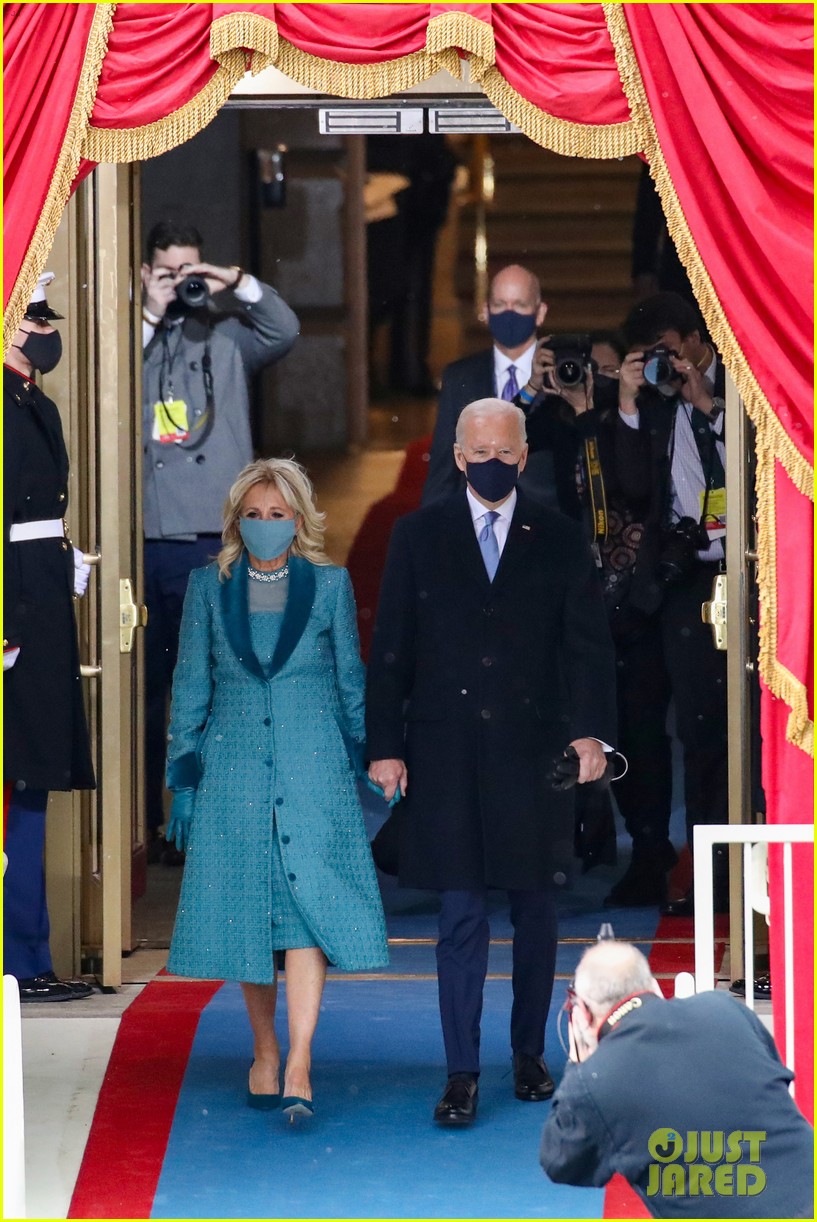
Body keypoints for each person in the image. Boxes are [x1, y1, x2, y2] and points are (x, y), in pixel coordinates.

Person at [366, 399, 616, 1126]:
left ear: (524, 451)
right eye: (480, 450)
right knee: (459, 914)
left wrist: (592, 735)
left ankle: (530, 1056)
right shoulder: (417, 535)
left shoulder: (560, 537)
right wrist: (385, 745)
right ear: (455, 453)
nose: (493, 463)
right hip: (444, 752)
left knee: (536, 912)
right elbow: (392, 647)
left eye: (505, 452)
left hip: (534, 755)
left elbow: (587, 646)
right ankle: (460, 1072)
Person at [164, 458, 388, 1117]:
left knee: (304, 916)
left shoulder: (329, 586)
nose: (265, 525)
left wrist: (371, 761)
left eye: (278, 514)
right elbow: (190, 686)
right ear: (236, 520)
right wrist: (182, 774)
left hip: (311, 763)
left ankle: (299, 1059)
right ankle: (264, 1049)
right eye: (254, 515)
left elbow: (351, 680)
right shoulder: (209, 587)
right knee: (248, 914)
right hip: (232, 768)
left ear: (299, 519)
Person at [141, 220, 300, 859]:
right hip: (151, 541)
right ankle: (151, 824)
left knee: (225, 686)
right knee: (153, 694)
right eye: (167, 272)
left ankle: (222, 820)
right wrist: (149, 310)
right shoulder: (132, 341)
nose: (182, 285)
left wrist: (233, 282)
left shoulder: (228, 337)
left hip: (217, 542)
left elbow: (284, 330)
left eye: (190, 271)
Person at [520, 331, 675, 900]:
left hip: (637, 598)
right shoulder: (556, 416)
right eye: (580, 370)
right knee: (581, 726)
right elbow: (499, 444)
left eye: (604, 372)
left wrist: (593, 411)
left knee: (637, 730)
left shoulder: (637, 418)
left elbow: (622, 487)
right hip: (580, 598)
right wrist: (532, 392)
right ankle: (588, 840)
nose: (588, 380)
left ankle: (651, 850)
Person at [540, 941, 814, 1218]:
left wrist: (578, 1062)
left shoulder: (596, 1079)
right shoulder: (726, 1010)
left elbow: (560, 1161)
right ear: (651, 985)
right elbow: (774, 1077)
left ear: (583, 1014)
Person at [616, 292, 728, 914]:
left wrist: (707, 406)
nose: (664, 364)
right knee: (697, 730)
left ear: (697, 343)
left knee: (733, 736)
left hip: (739, 575)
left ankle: (736, 869)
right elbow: (633, 487)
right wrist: (631, 400)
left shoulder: (737, 388)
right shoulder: (654, 405)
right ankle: (704, 872)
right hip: (682, 581)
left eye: (669, 351)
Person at [3, 272, 95, 1002]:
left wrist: (60, 563)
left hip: (37, 595)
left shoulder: (31, 401)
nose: (45, 329)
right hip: (17, 618)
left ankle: (27, 953)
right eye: (33, 315)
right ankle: (19, 957)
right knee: (20, 784)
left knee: (32, 781)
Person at [421, 264, 557, 509]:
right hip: (477, 525)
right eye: (500, 305)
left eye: (520, 305)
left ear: (540, 312)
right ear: (486, 310)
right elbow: (444, 470)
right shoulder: (460, 377)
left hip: (548, 523)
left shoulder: (560, 372)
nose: (509, 313)